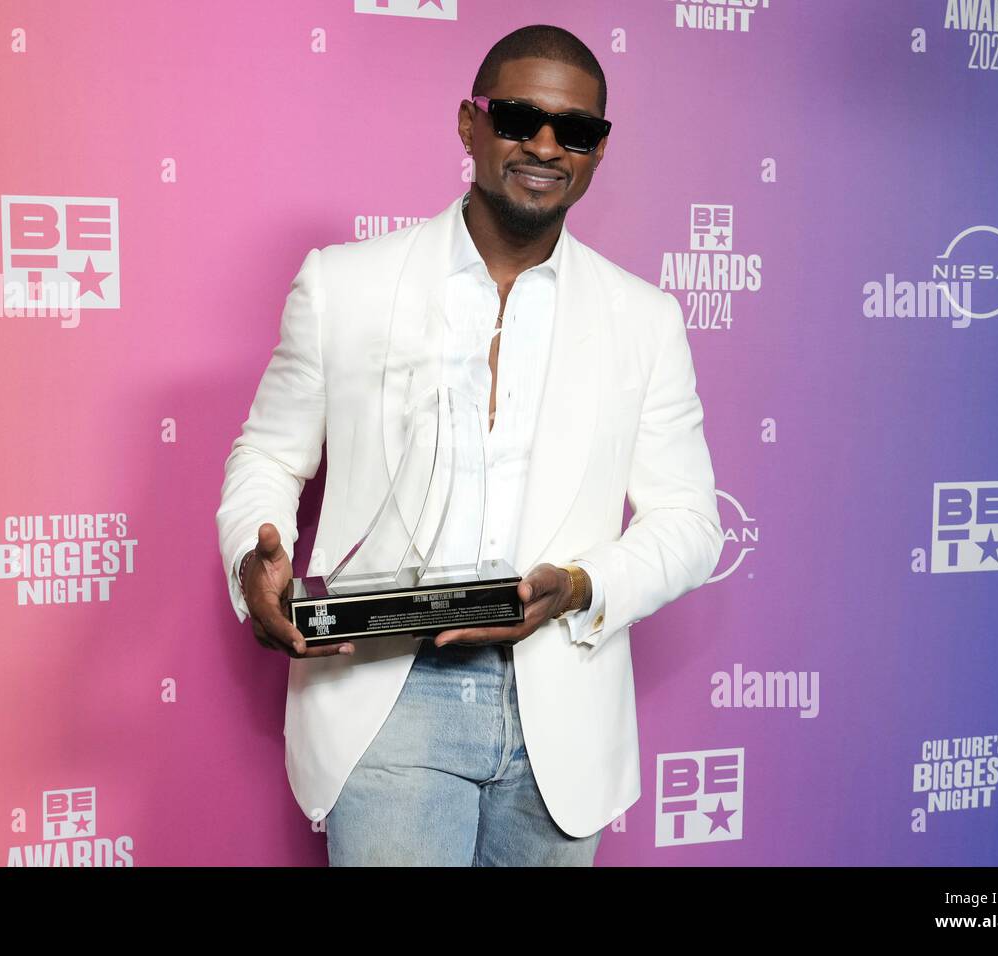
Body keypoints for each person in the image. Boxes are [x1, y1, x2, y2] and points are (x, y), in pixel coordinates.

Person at [216, 24, 723, 866]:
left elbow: (690, 522)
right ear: (469, 124)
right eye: (520, 117)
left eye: (577, 130)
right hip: (387, 693)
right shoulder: (344, 285)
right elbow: (267, 457)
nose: (547, 146)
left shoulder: (646, 319)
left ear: (599, 150)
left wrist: (578, 587)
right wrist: (251, 563)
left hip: (565, 701)